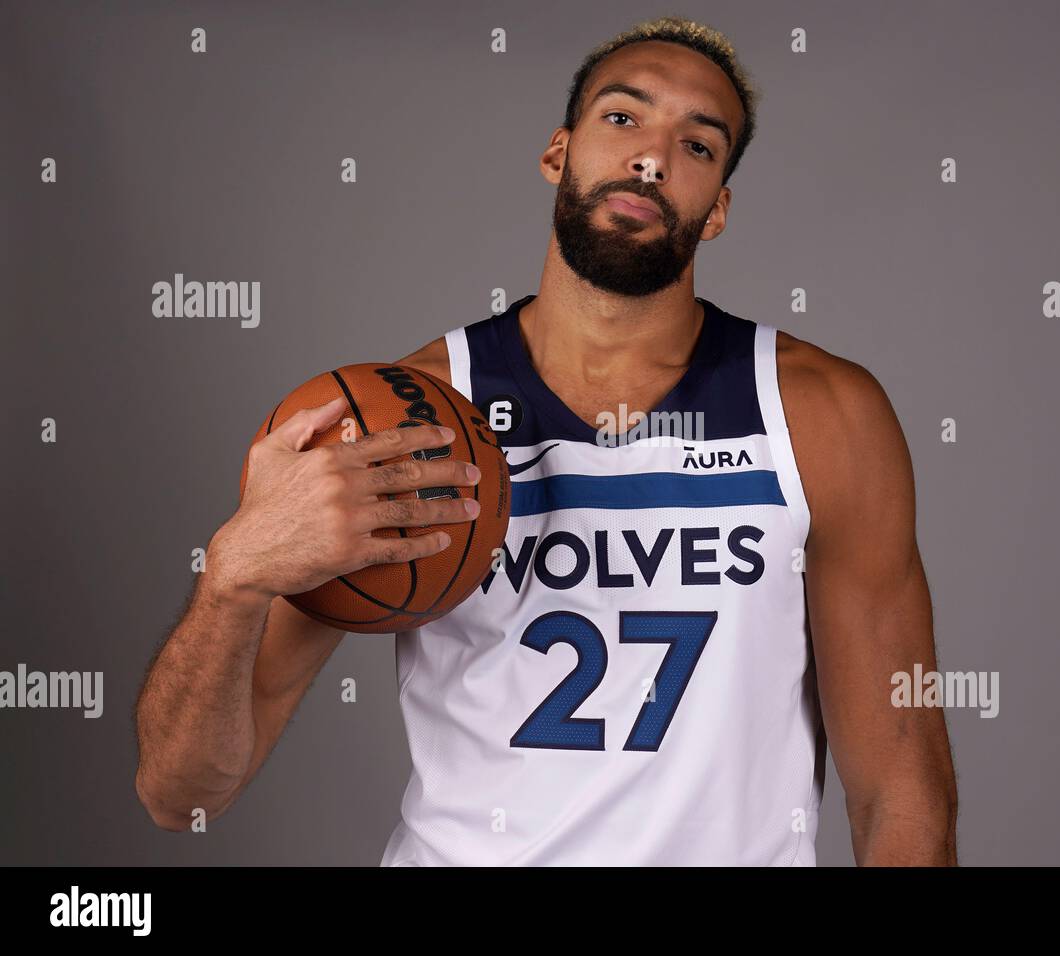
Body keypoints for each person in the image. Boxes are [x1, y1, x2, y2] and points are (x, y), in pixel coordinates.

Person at [135, 16, 957, 866]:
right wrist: (231, 579)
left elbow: (900, 796)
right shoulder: (400, 419)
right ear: (558, 153)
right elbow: (181, 793)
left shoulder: (820, 414)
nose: (651, 158)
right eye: (623, 118)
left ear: (717, 210)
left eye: (697, 145)